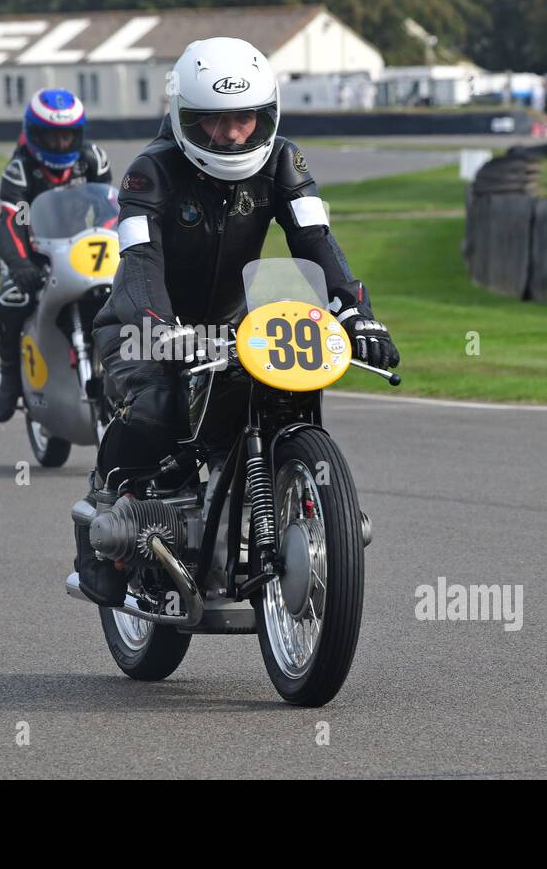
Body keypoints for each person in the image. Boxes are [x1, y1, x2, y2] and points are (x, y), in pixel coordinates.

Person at [73, 38, 399, 606]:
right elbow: (139, 261)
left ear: (265, 114)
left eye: (245, 118)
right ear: (184, 119)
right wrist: (156, 324)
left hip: (233, 324)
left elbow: (315, 240)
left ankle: (298, 500)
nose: (231, 134)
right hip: (140, 321)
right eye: (215, 120)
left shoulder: (282, 162)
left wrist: (355, 314)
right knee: (158, 408)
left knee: (286, 391)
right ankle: (107, 508)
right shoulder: (151, 172)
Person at [0, 88, 112, 422]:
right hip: (31, 251)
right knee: (14, 299)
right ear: (32, 133)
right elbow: (10, 222)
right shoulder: (20, 170)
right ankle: (11, 377)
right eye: (50, 137)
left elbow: (110, 209)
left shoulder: (93, 160)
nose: (59, 145)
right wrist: (20, 263)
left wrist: (112, 242)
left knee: (117, 295)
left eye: (67, 137)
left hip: (78, 246)